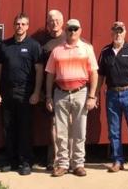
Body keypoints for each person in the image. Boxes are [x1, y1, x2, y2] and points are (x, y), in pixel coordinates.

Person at [43, 18, 98, 177]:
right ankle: (62, 164)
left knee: (79, 130)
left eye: (75, 29)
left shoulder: (87, 49)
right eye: (69, 29)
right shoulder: (57, 50)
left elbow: (93, 73)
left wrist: (92, 96)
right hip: (60, 93)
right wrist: (48, 96)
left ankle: (78, 164)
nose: (72, 32)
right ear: (65, 31)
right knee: (61, 131)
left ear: (80, 30)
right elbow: (50, 75)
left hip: (81, 92)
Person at [0, 12, 41, 175]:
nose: (20, 27)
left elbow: (39, 71)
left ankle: (25, 162)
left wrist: (36, 92)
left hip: (26, 93)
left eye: (23, 24)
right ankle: (10, 160)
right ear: (14, 25)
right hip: (6, 92)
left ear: (27, 26)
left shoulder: (34, 45)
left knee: (25, 128)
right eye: (17, 24)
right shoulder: (4, 45)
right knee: (8, 127)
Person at [98, 21, 128, 174]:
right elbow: (101, 76)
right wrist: (95, 94)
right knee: (114, 131)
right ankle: (117, 161)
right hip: (112, 94)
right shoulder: (105, 51)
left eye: (121, 31)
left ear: (125, 33)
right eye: (115, 31)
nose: (118, 34)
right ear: (111, 33)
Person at [38, 9, 67, 169]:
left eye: (57, 20)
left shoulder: (72, 38)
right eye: (51, 21)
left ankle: (67, 160)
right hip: (51, 91)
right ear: (47, 24)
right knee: (54, 124)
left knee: (69, 124)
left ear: (62, 22)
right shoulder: (43, 44)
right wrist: (42, 92)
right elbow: (39, 70)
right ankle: (54, 159)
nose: (54, 23)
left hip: (70, 90)